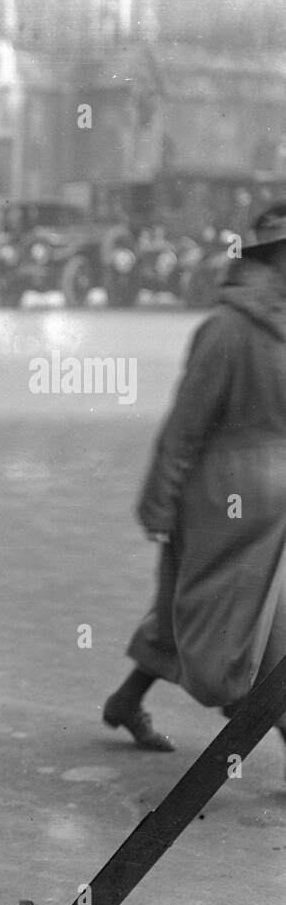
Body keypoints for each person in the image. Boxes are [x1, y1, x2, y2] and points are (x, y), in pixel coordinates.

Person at [105, 201, 286, 770]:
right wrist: (160, 502)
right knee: (231, 623)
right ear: (269, 263)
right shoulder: (227, 330)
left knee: (213, 611)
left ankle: (126, 700)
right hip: (222, 505)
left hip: (266, 503)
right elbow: (186, 425)